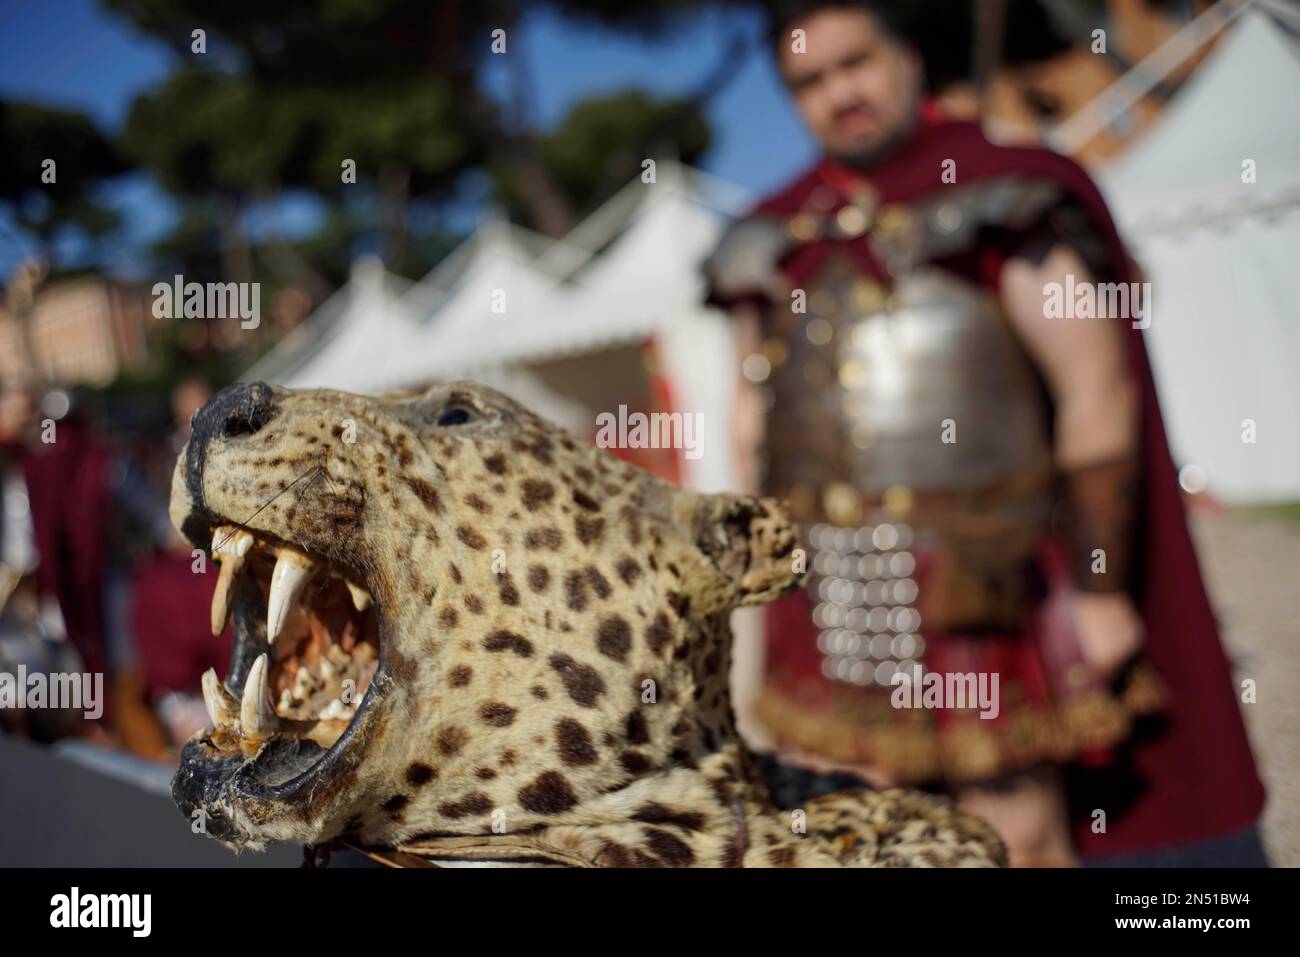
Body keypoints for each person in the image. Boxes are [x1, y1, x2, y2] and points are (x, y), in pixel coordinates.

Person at [704, 0, 1266, 865]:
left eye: (854, 64)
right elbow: (754, 413)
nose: (837, 94)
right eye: (809, 82)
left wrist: (1103, 587)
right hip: (830, 582)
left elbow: (1095, 390)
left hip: (983, 570)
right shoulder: (772, 236)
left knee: (1013, 823)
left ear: (907, 59)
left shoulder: (1002, 189)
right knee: (861, 821)